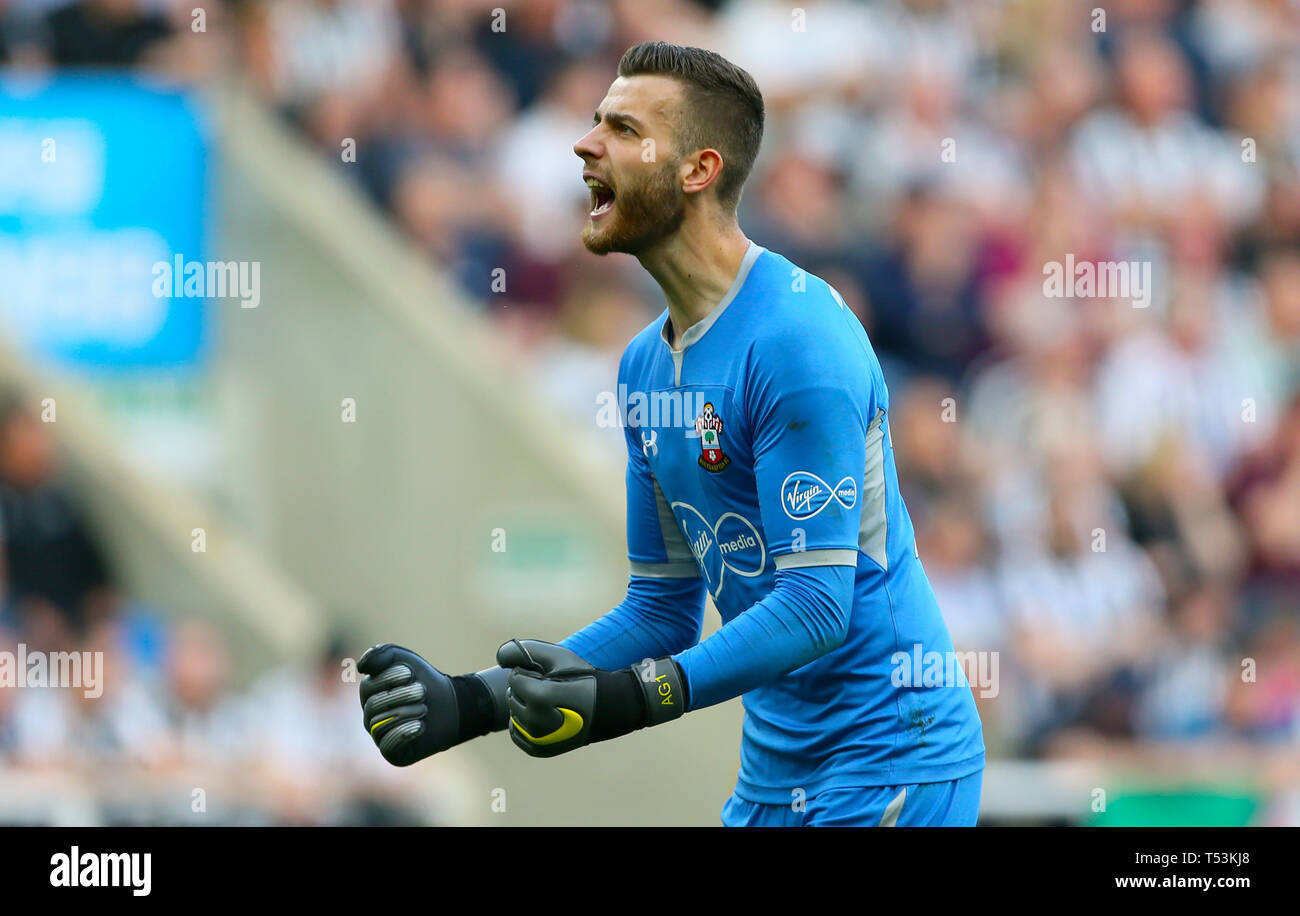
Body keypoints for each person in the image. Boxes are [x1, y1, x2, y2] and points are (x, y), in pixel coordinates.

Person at [358, 41, 985, 827]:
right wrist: (475, 699)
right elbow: (660, 609)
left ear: (698, 169)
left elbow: (818, 606)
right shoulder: (643, 369)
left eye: (621, 128)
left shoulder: (799, 339)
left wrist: (628, 700)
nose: (585, 145)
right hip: (774, 778)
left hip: (891, 764)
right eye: (592, 123)